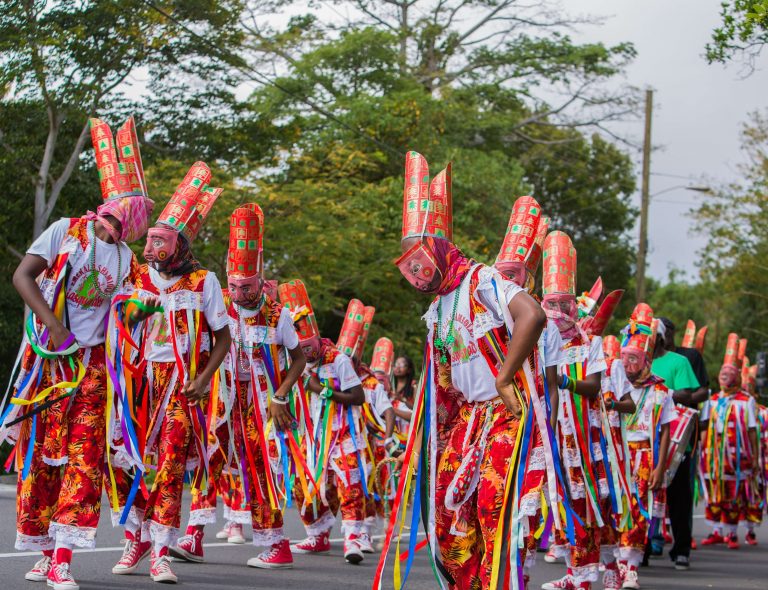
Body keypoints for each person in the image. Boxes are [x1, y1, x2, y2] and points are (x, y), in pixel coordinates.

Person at [377, 152, 546, 589]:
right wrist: (424, 440)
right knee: (447, 513)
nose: (413, 268)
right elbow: (444, 385)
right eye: (407, 258)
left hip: (507, 413)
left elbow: (532, 315)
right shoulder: (438, 308)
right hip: (467, 421)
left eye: (417, 254)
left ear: (437, 248)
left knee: (495, 508)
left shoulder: (482, 281)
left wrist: (505, 377)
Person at [0, 116, 153, 590]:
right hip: (48, 361)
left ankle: (64, 559)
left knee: (85, 458)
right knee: (41, 459)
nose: (116, 231)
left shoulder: (126, 259)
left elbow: (126, 314)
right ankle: (45, 552)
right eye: (115, 220)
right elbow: (22, 276)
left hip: (93, 368)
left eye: (125, 228)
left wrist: (140, 311)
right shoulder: (65, 231)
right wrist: (55, 327)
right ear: (106, 210)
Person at [108, 162, 231, 584]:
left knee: (171, 463)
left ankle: (161, 550)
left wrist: (203, 379)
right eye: (150, 239)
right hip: (138, 382)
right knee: (125, 458)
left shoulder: (202, 281)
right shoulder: (137, 276)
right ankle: (135, 536)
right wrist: (136, 313)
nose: (151, 246)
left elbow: (222, 338)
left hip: (182, 385)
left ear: (178, 245)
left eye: (160, 241)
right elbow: (124, 323)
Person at [171, 203, 307, 569]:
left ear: (261, 281)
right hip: (222, 396)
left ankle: (277, 544)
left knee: (261, 466)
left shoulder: (278, 315)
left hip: (262, 402)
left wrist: (281, 396)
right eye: (232, 286)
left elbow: (298, 359)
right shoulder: (221, 306)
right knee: (210, 457)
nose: (238, 293)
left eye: (246, 287)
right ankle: (194, 535)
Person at [492, 196, 565, 586]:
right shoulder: (481, 315)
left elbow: (550, 385)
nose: (506, 280)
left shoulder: (544, 324)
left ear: (527, 280)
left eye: (513, 274)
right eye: (501, 273)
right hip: (485, 422)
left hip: (526, 421)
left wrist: (547, 429)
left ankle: (514, 577)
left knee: (522, 504)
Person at [539, 231, 619, 590]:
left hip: (585, 438)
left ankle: (611, 566)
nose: (558, 311)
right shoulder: (540, 342)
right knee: (565, 503)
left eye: (563, 304)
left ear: (574, 306)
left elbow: (593, 387)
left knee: (592, 502)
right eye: (551, 304)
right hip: (554, 433)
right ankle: (577, 574)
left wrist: (563, 382)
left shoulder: (591, 344)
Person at [279, 280, 368, 565]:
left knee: (350, 483)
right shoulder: (296, 362)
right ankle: (317, 534)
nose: (306, 353)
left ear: (318, 339)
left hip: (342, 435)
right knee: (306, 485)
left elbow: (358, 397)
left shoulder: (337, 359)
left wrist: (323, 390)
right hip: (311, 436)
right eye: (300, 348)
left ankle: (353, 538)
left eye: (309, 346)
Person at [616, 305, 673, 590]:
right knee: (615, 511)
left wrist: (660, 467)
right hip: (615, 455)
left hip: (644, 457)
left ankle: (631, 569)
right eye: (624, 358)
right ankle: (614, 565)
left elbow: (666, 431)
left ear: (646, 360)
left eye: (634, 359)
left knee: (638, 513)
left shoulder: (661, 391)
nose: (627, 365)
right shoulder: (612, 386)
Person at [656, 317, 709, 569]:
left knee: (679, 495)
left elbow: (697, 392)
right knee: (647, 495)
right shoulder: (638, 361)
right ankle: (644, 547)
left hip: (679, 437)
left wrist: (661, 394)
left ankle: (681, 548)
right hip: (647, 439)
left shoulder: (686, 358)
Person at [699, 333, 760, 550]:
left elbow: (752, 431)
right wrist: (701, 452)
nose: (725, 375)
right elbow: (704, 427)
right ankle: (716, 531)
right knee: (714, 491)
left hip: (737, 457)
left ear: (737, 377)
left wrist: (755, 457)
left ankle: (732, 533)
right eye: (722, 372)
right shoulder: (712, 400)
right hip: (713, 457)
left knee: (734, 493)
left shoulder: (746, 400)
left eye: (730, 372)